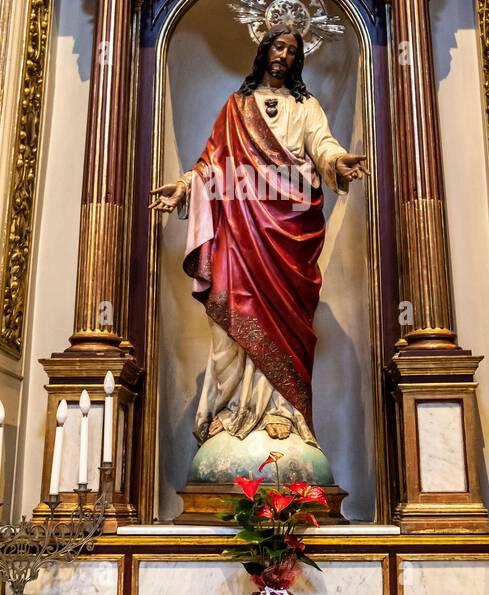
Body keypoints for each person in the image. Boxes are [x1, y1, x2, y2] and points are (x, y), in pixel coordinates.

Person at [151, 26, 367, 448]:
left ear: (297, 59)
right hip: (240, 231)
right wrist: (184, 186)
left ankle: (282, 410)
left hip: (286, 232)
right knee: (231, 319)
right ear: (264, 50)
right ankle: (230, 408)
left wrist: (338, 161)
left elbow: (321, 145)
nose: (283, 55)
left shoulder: (306, 107)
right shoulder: (236, 107)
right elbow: (211, 165)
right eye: (278, 46)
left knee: (284, 319)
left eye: (292, 50)